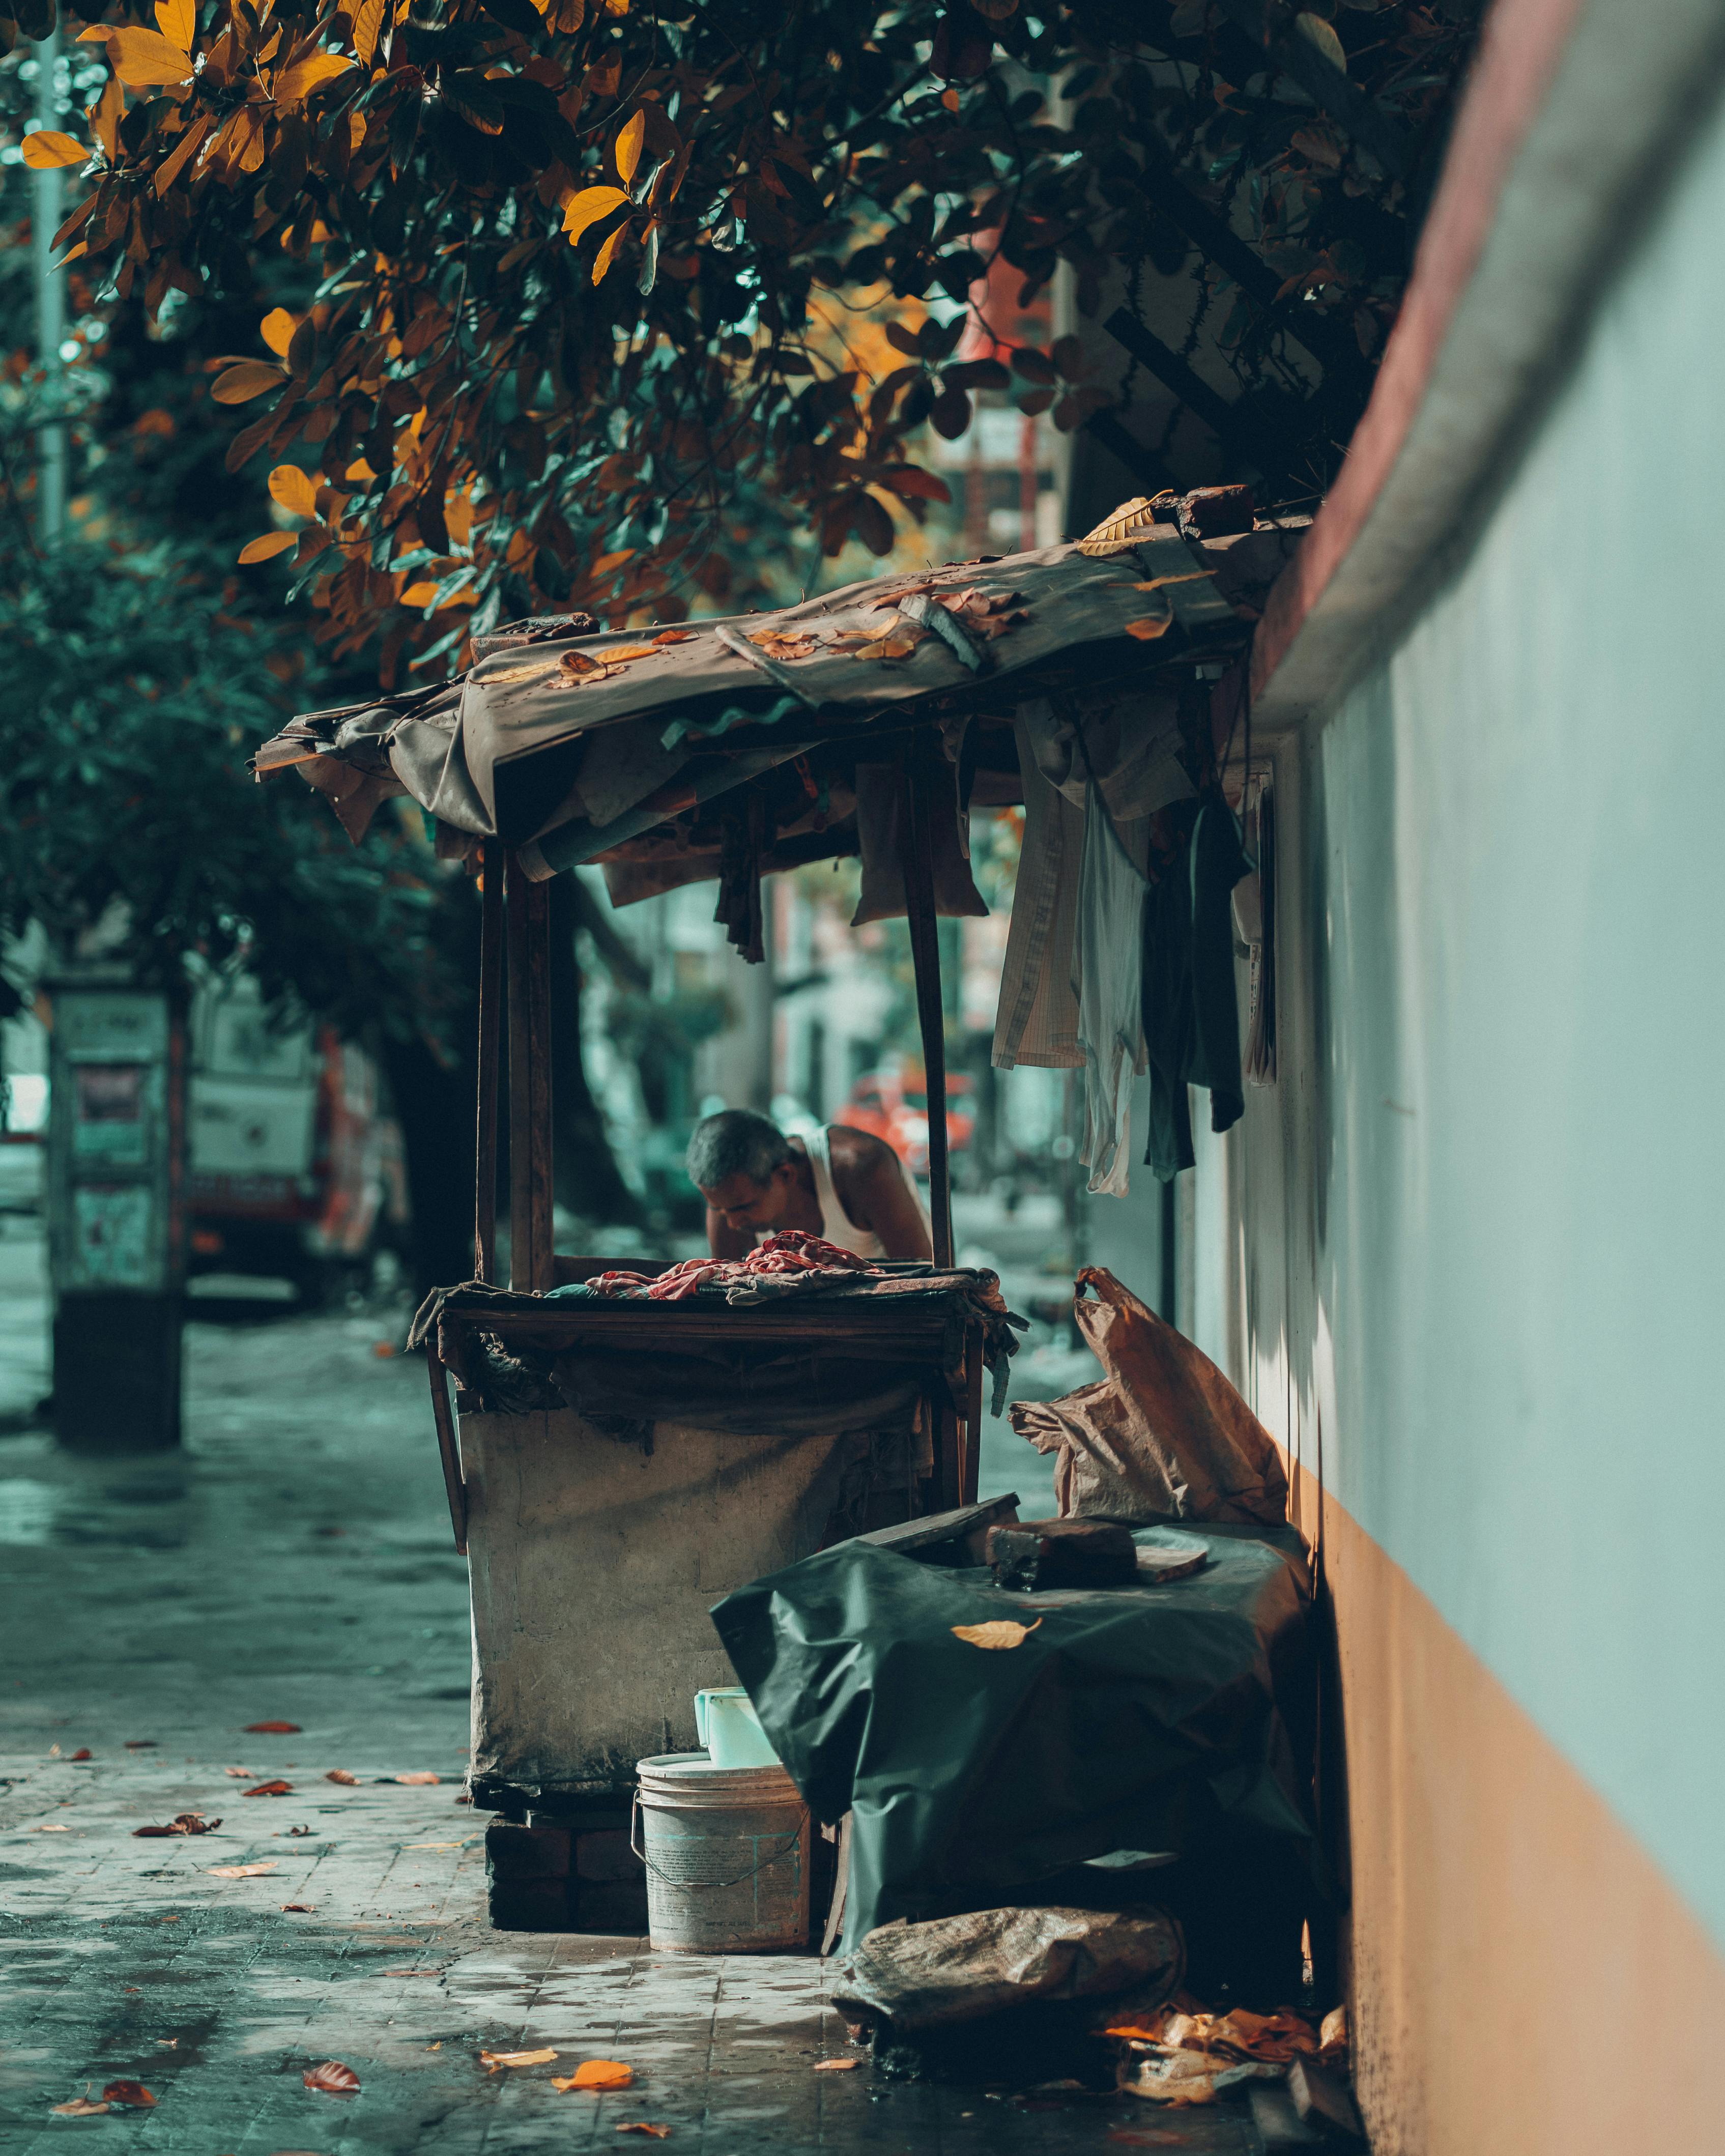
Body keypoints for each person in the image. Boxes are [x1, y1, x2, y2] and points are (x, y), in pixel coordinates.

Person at [687, 1108, 933, 1263]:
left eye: (744, 1207)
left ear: (785, 1175)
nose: (733, 1223)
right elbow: (726, 1304)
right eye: (719, 1209)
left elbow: (924, 1278)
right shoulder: (728, 1199)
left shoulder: (861, 1167)